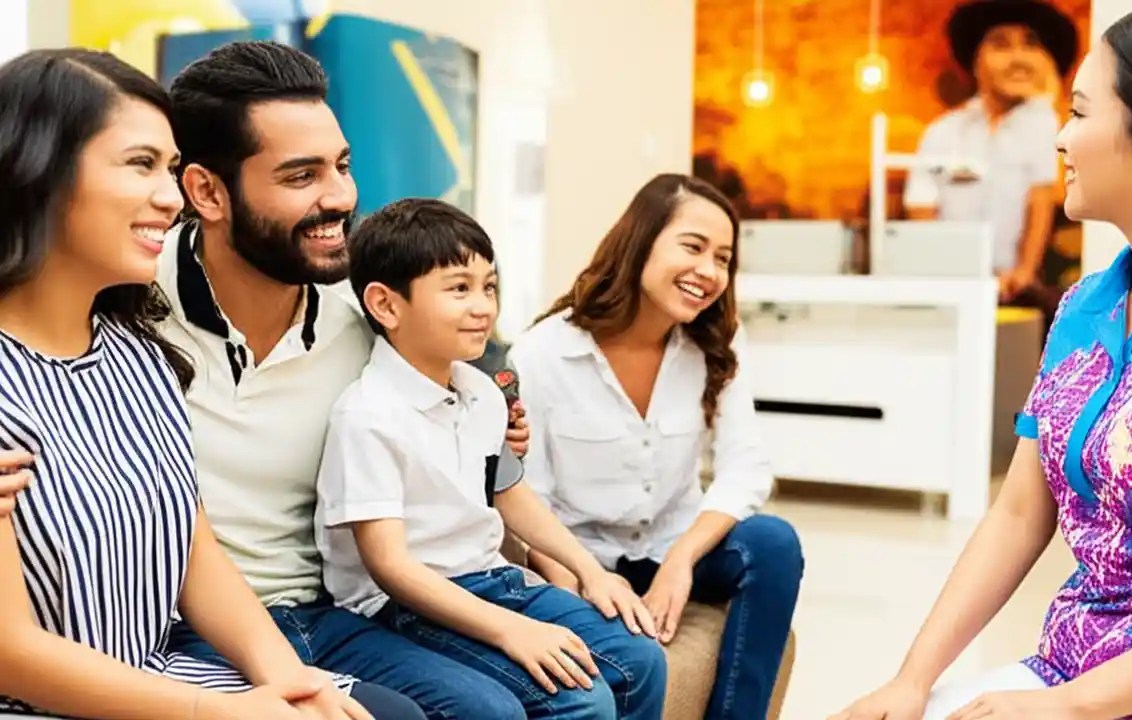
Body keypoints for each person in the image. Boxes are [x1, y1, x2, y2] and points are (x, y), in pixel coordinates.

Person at [832, 1, 1132, 718]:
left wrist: (1072, 707)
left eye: (1078, 112)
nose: (1062, 136)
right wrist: (911, 680)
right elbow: (1017, 514)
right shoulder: (1081, 310)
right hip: (1067, 666)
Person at [0, 47, 396, 720]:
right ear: (41, 172)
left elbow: (193, 551)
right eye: (140, 165)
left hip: (161, 673)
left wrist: (292, 680)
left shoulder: (141, 358)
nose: (169, 194)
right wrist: (221, 712)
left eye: (171, 167)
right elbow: (12, 653)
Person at [154, 41, 527, 718]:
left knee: (498, 707)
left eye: (343, 166)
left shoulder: (373, 311)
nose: (341, 198)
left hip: (327, 612)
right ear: (207, 191)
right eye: (302, 176)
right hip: (179, 626)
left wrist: (498, 411)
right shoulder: (126, 305)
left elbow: (482, 394)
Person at [317, 197, 668, 720]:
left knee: (642, 661)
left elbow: (508, 492)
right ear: (387, 305)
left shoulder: (479, 390)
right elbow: (389, 566)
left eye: (489, 286)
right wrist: (510, 630)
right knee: (580, 697)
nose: (484, 306)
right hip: (406, 607)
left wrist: (587, 570)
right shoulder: (368, 416)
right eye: (459, 288)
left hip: (490, 577)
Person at [509, 173, 804, 719]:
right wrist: (580, 592)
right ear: (640, 242)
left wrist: (683, 559)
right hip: (586, 562)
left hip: (675, 543)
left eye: (723, 259)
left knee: (773, 543)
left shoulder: (716, 344)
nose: (709, 272)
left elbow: (747, 467)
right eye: (692, 247)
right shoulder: (544, 354)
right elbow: (531, 501)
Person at [905, 0, 1078, 317]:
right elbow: (921, 212)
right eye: (1001, 45)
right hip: (946, 290)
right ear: (975, 61)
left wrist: (1023, 273)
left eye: (1030, 45)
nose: (1018, 58)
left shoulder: (1044, 125)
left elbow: (1041, 199)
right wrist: (943, 276)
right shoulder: (942, 132)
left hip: (1012, 292)